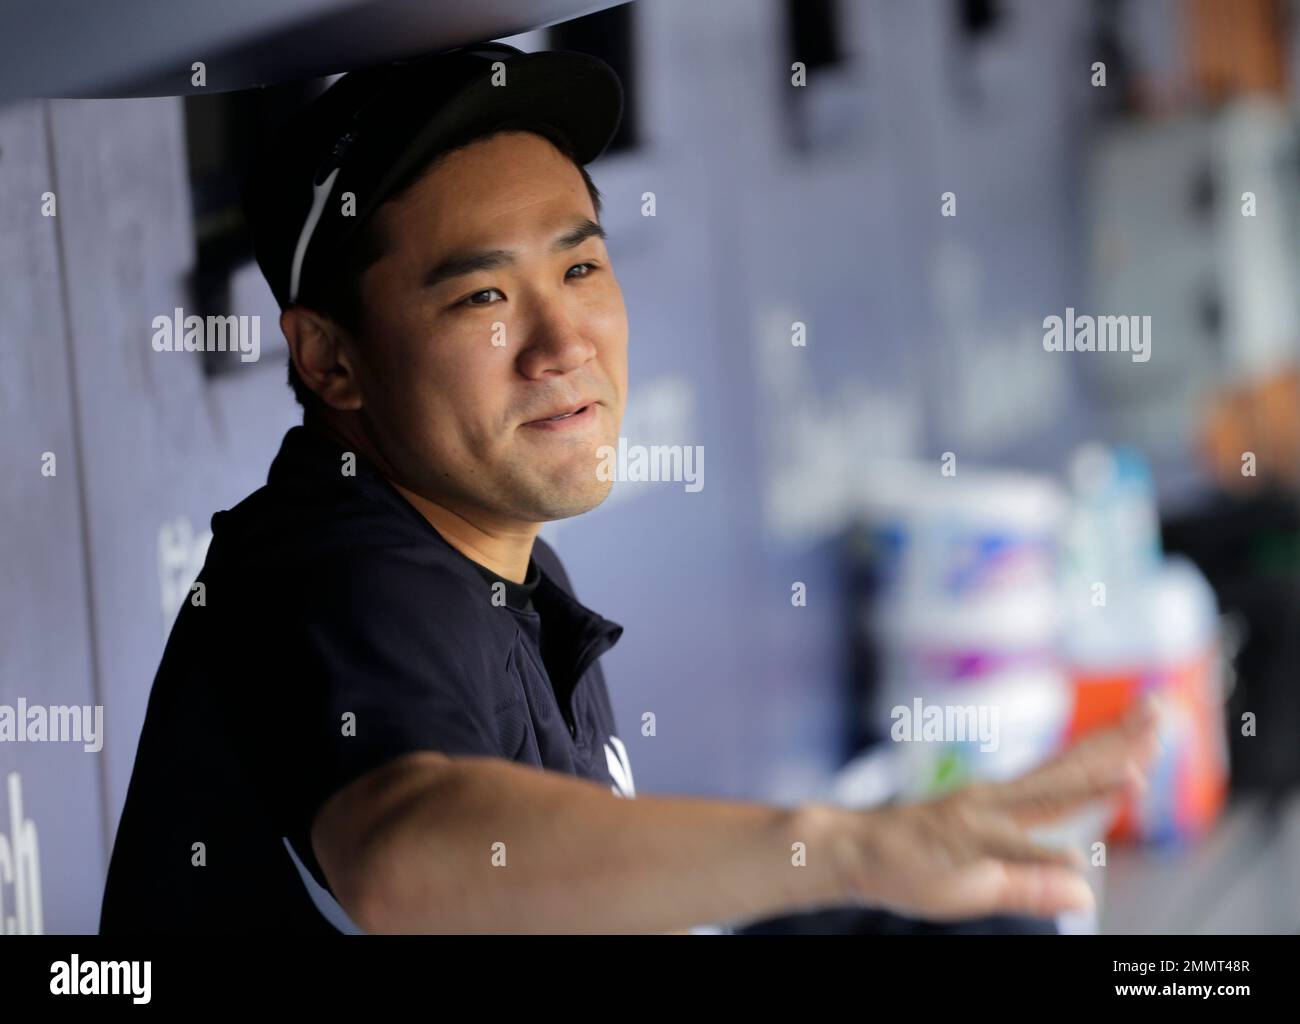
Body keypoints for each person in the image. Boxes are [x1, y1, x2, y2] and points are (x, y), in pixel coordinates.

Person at [99, 42, 1160, 934]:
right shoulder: (329, 569)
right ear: (330, 360)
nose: (564, 343)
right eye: (482, 294)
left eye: (579, 269)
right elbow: (403, 853)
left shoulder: (501, 565)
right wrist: (839, 847)